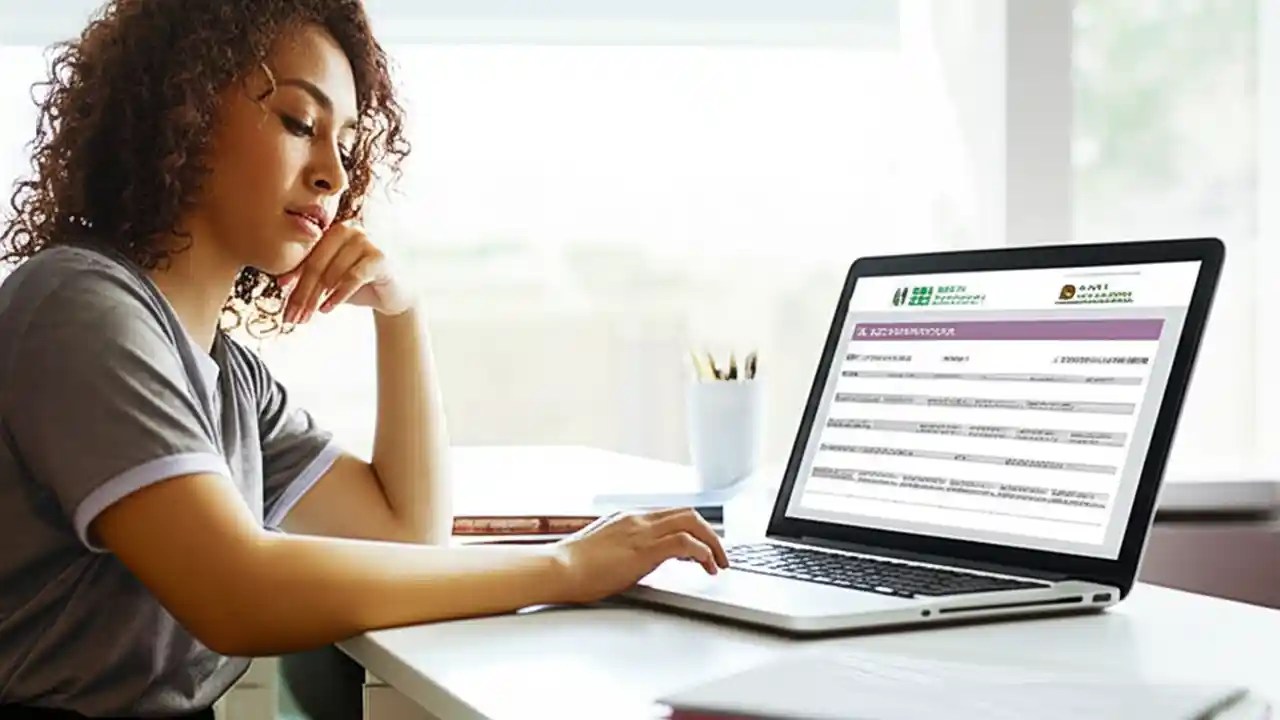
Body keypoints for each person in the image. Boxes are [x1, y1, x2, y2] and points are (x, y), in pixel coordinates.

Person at [0, 1, 729, 717]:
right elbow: (237, 593)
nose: (335, 177)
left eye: (345, 145)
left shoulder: (231, 381)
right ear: (181, 111)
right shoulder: (77, 309)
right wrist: (565, 567)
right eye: (298, 123)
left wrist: (400, 311)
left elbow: (409, 533)